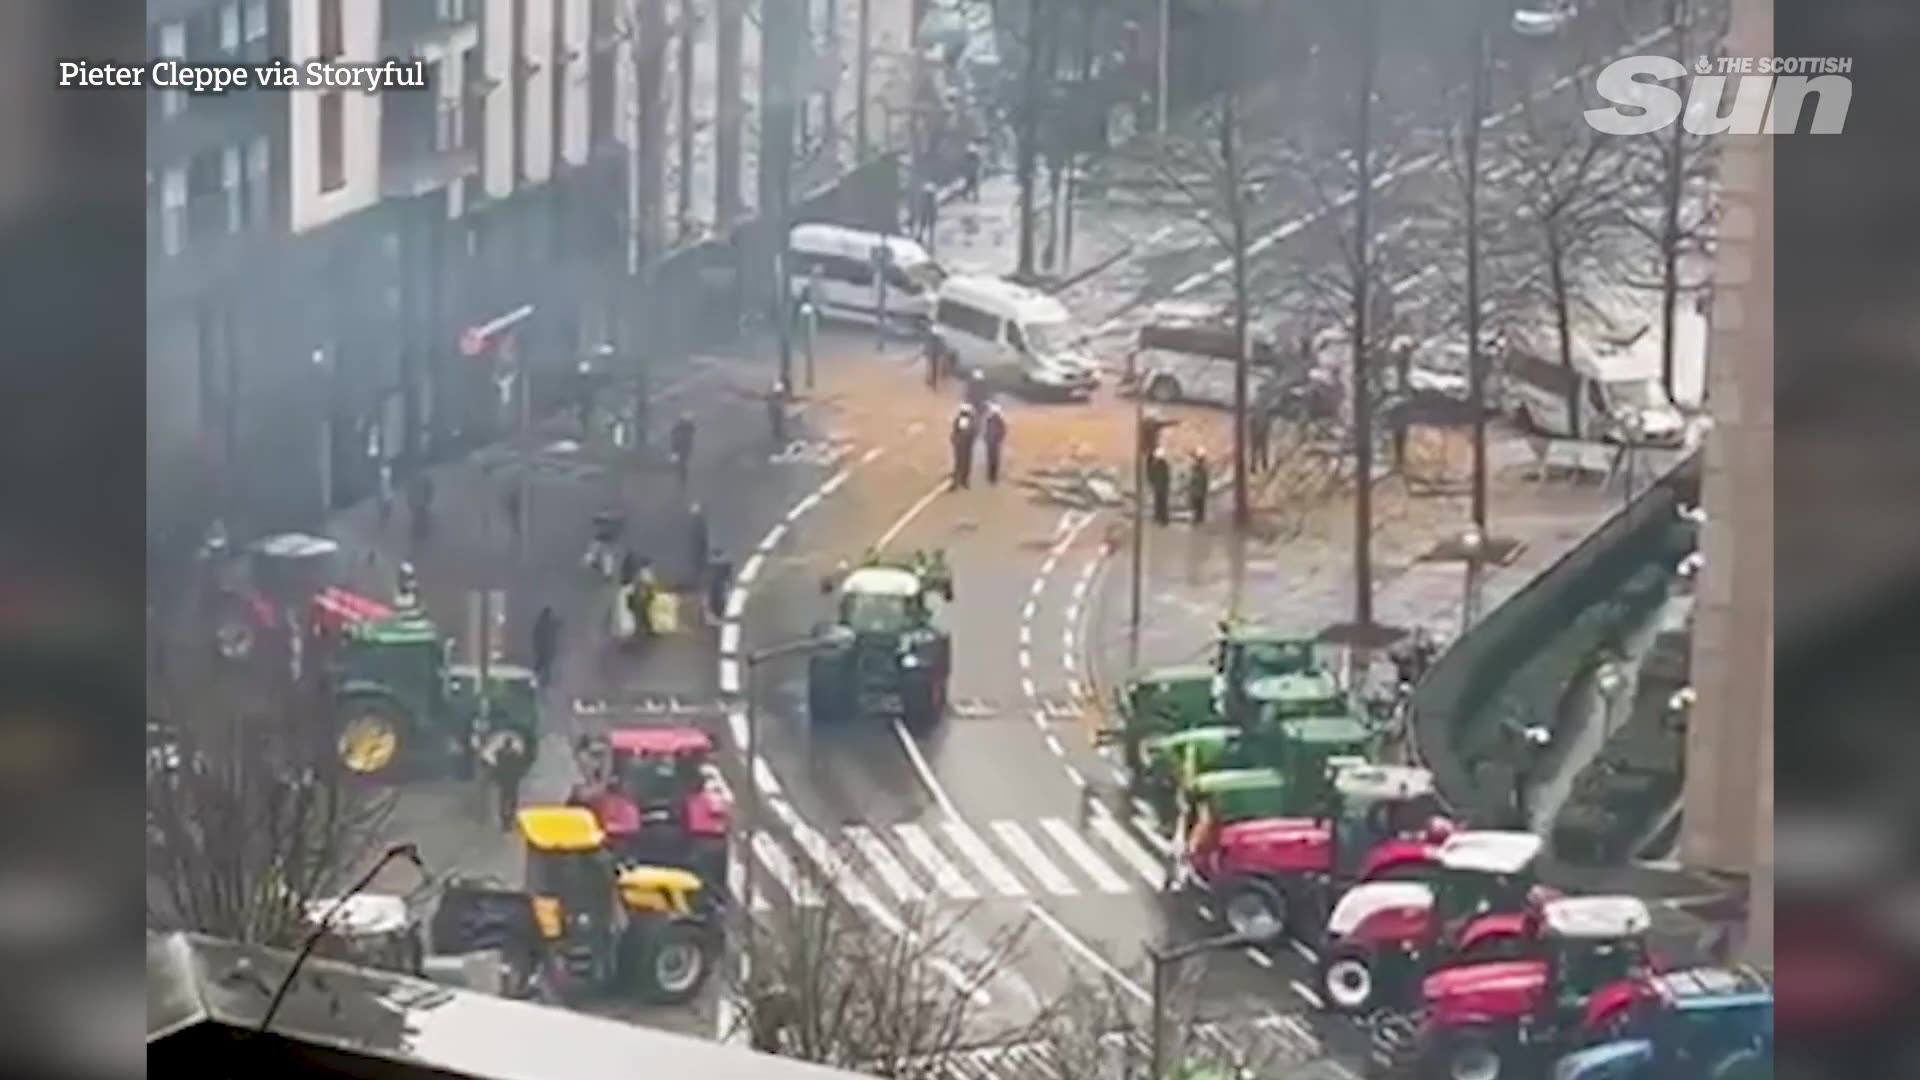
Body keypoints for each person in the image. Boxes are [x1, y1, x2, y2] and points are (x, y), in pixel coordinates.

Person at [483, 728, 531, 831]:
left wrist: (495, 777)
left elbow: (496, 767)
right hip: (512, 780)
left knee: (504, 799)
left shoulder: (500, 754)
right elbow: (520, 766)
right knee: (511, 799)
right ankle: (510, 817)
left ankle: (506, 820)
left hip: (505, 780)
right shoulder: (515, 754)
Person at [949, 403, 977, 489]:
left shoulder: (963, 420)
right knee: (963, 463)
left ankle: (959, 481)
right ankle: (960, 482)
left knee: (960, 463)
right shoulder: (965, 420)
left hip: (964, 445)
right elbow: (964, 433)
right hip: (964, 445)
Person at [531, 606, 559, 687]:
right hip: (544, 648)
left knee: (543, 665)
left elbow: (536, 635)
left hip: (543, 648)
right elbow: (553, 629)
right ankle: (545, 681)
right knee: (544, 665)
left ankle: (542, 680)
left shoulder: (541, 622)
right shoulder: (545, 623)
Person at [982, 401, 1008, 485]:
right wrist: (985, 438)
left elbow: (1004, 431)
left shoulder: (1000, 420)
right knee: (990, 458)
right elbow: (985, 430)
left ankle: (994, 475)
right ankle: (990, 475)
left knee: (995, 459)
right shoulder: (989, 419)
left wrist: (1000, 438)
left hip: (995, 442)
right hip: (990, 442)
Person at [670, 412, 695, 493]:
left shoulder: (686, 428)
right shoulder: (685, 428)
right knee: (679, 462)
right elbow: (673, 433)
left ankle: (681, 476)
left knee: (681, 462)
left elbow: (673, 433)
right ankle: (681, 475)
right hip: (679, 447)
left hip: (682, 448)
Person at [1146, 447, 1172, 526]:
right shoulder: (1163, 465)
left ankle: (1162, 519)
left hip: (1160, 487)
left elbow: (1152, 476)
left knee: (1160, 503)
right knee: (1161, 503)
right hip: (1161, 487)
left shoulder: (1158, 465)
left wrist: (1152, 483)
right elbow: (1166, 477)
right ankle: (1161, 518)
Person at [686, 503, 710, 587]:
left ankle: (698, 578)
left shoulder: (697, 521)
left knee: (698, 561)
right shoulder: (701, 520)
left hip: (698, 545)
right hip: (699, 545)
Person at [1249, 400, 1275, 473]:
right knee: (1257, 450)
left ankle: (1262, 466)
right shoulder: (1259, 411)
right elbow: (1251, 424)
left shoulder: (1262, 411)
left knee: (1261, 450)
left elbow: (1268, 424)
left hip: (1260, 433)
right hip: (1258, 433)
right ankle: (1256, 466)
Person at [1187, 448, 1211, 525]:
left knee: (1197, 507)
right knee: (1198, 507)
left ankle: (1197, 520)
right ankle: (1198, 520)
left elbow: (1193, 480)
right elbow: (1204, 481)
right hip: (1198, 491)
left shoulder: (1198, 469)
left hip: (1197, 491)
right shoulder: (1201, 469)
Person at [766, 382, 788, 447]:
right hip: (775, 411)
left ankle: (777, 433)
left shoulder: (776, 396)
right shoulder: (775, 397)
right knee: (776, 422)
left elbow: (779, 404)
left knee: (777, 422)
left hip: (776, 411)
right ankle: (777, 433)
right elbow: (776, 405)